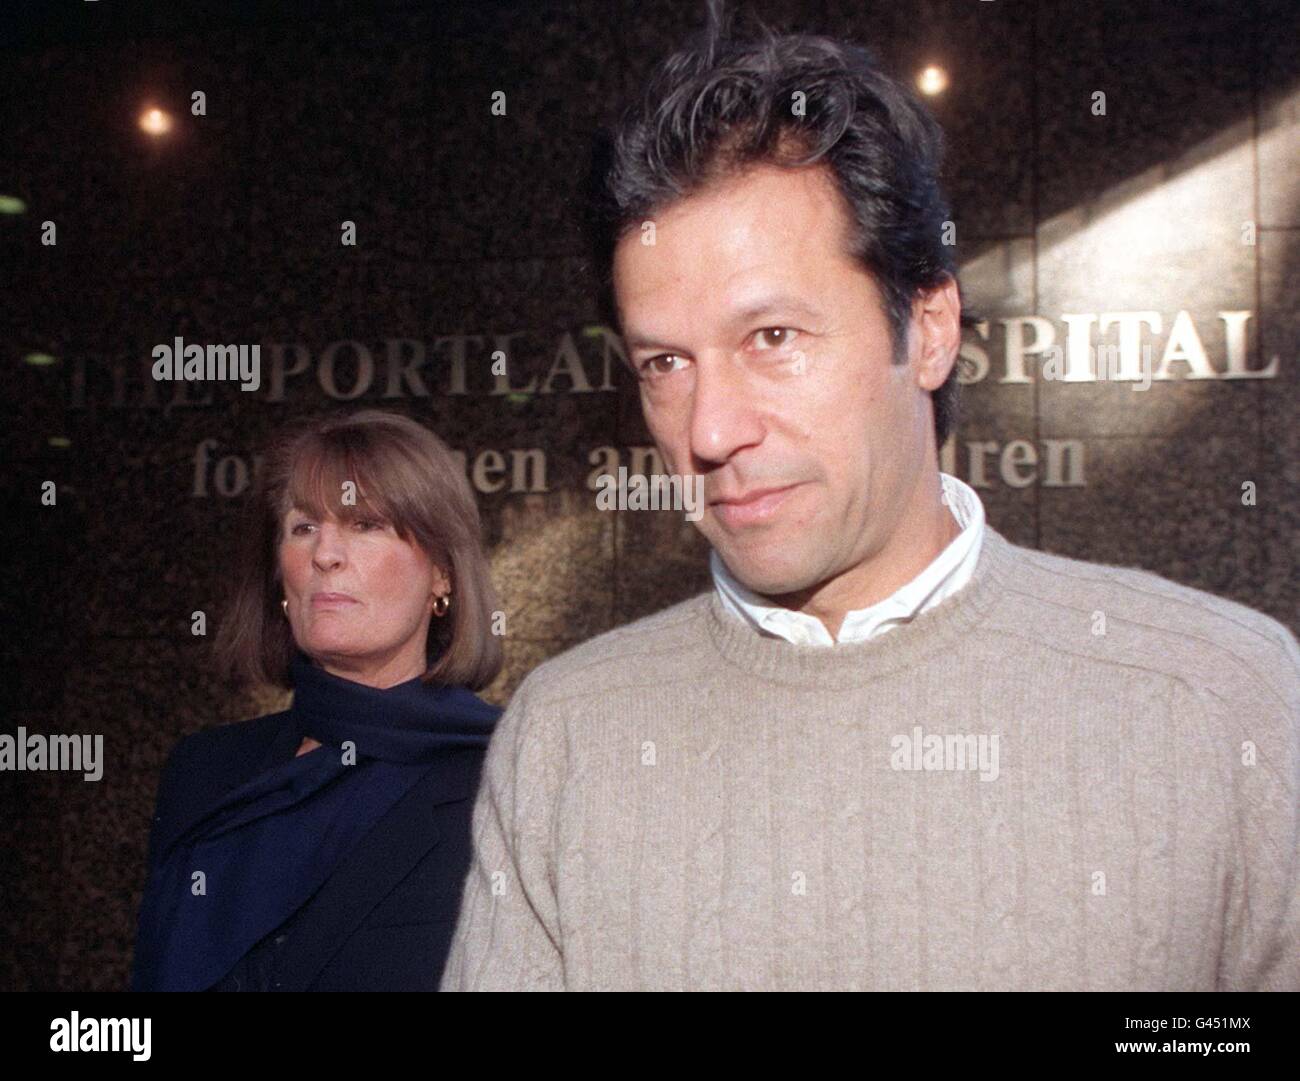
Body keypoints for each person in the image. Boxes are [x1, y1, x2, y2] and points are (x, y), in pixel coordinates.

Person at [440, 15, 1299, 991]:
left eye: (771, 336)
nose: (709, 427)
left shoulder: (1223, 694)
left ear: (927, 328)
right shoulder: (566, 738)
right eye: (665, 362)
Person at [131, 409, 504, 991]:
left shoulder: (505, 777)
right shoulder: (204, 771)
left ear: (443, 574)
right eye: (303, 527)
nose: (324, 554)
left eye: (365, 524)